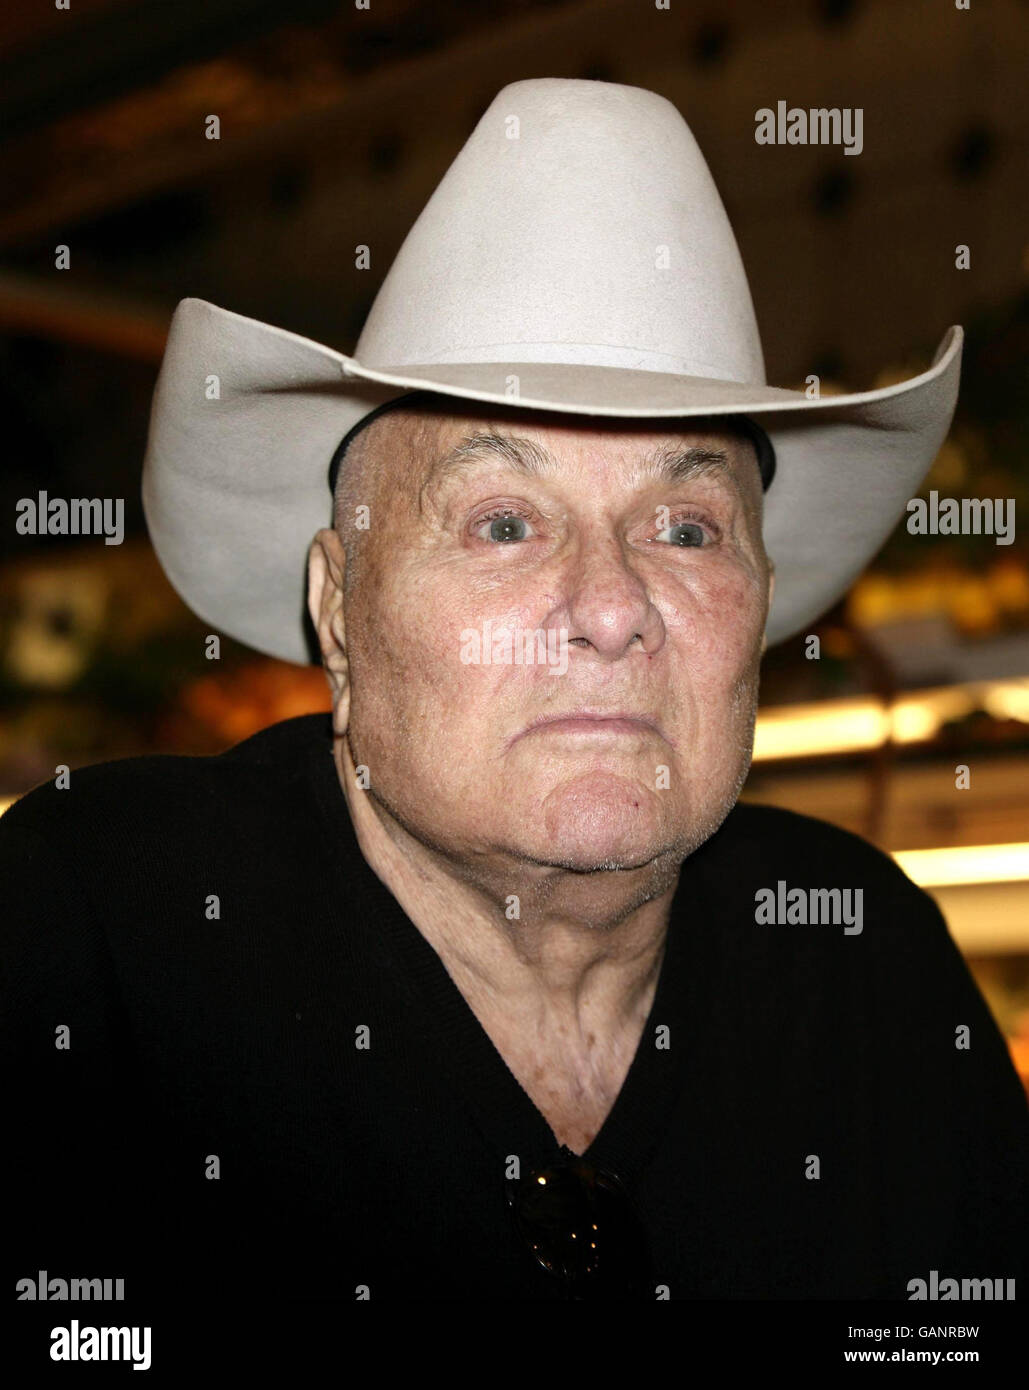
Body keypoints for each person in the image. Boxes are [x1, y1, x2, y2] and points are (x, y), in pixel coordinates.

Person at [4, 78, 1025, 1304]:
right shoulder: (91, 929)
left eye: (688, 530)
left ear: (756, 607)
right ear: (340, 612)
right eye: (502, 520)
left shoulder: (870, 975)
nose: (609, 605)